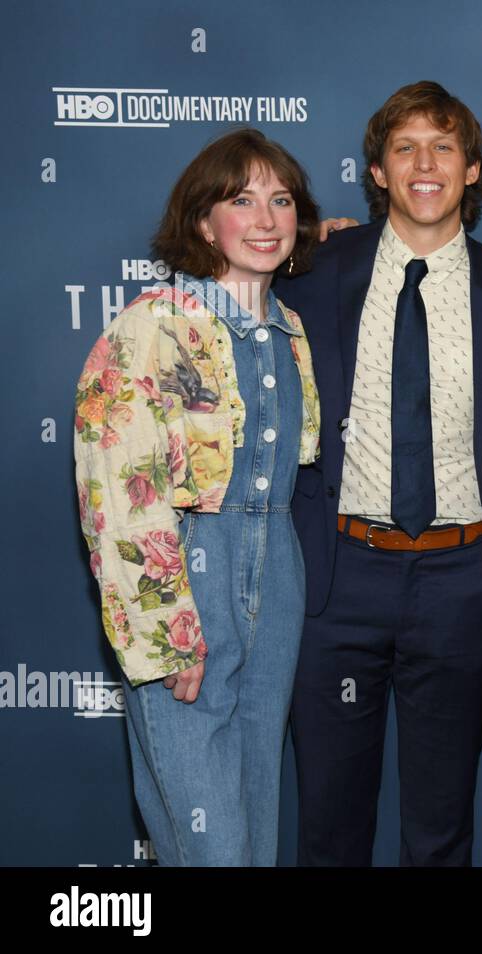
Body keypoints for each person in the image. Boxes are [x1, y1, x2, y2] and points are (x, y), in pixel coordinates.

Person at [276, 81, 482, 866]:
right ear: (375, 171)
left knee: (439, 829)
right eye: (404, 148)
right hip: (337, 581)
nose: (424, 164)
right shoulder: (310, 274)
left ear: (471, 170)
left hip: (462, 582)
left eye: (444, 147)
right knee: (330, 827)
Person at [73, 128, 322, 866]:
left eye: (281, 200)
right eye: (241, 200)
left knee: (254, 823)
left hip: (277, 570)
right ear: (202, 220)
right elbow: (113, 488)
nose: (267, 218)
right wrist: (166, 628)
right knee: (209, 845)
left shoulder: (290, 331)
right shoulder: (150, 325)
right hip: (184, 577)